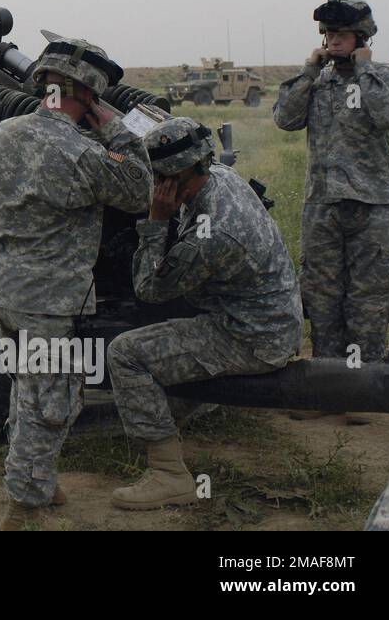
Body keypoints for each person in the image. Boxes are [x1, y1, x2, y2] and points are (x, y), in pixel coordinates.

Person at [0, 37, 151, 530]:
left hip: (4, 290)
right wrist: (116, 131)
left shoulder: (5, 132)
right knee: (50, 399)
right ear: (87, 95)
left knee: (23, 388)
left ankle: (40, 481)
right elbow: (139, 191)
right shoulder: (82, 152)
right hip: (50, 301)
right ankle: (25, 507)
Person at [106, 117, 302, 509]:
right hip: (268, 317)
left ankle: (169, 475)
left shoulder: (210, 238)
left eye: (156, 177)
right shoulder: (222, 175)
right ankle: (167, 423)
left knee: (126, 353)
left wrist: (156, 221)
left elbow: (149, 289)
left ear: (173, 179)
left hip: (251, 337)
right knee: (170, 334)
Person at [273, 0, 389, 423]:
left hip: (373, 205)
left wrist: (364, 68)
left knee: (368, 299)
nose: (333, 41)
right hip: (323, 205)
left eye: (342, 35)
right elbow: (286, 119)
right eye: (328, 35)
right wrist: (311, 70)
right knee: (323, 297)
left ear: (362, 38)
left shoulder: (384, 78)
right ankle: (327, 389)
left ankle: (362, 391)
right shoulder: (318, 81)